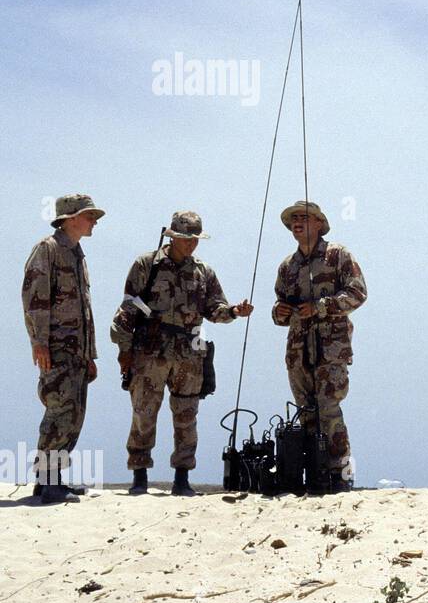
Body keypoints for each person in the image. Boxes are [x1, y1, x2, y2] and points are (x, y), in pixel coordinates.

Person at [111, 211, 252, 496]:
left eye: (195, 239)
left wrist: (234, 312)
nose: (191, 244)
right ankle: (139, 477)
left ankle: (182, 478)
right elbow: (128, 308)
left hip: (189, 353)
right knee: (144, 412)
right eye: (186, 238)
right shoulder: (146, 264)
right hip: (150, 351)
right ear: (172, 236)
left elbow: (214, 309)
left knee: (187, 415)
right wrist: (123, 349)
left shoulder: (204, 272)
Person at [272, 201, 366, 493]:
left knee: (328, 408)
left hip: (330, 347)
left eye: (304, 218)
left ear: (319, 224)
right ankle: (314, 473)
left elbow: (357, 293)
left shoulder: (337, 255)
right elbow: (278, 306)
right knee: (306, 411)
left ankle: (339, 474)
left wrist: (322, 307)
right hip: (298, 349)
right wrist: (281, 312)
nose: (298, 223)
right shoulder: (288, 266)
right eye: (294, 219)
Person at [22, 193, 104, 504]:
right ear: (70, 218)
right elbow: (34, 299)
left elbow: (84, 310)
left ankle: (51, 481)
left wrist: (90, 354)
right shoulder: (49, 249)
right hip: (56, 349)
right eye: (89, 216)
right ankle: (47, 480)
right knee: (59, 412)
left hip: (77, 353)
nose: (94, 222)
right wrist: (39, 342)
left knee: (74, 415)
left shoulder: (76, 254)